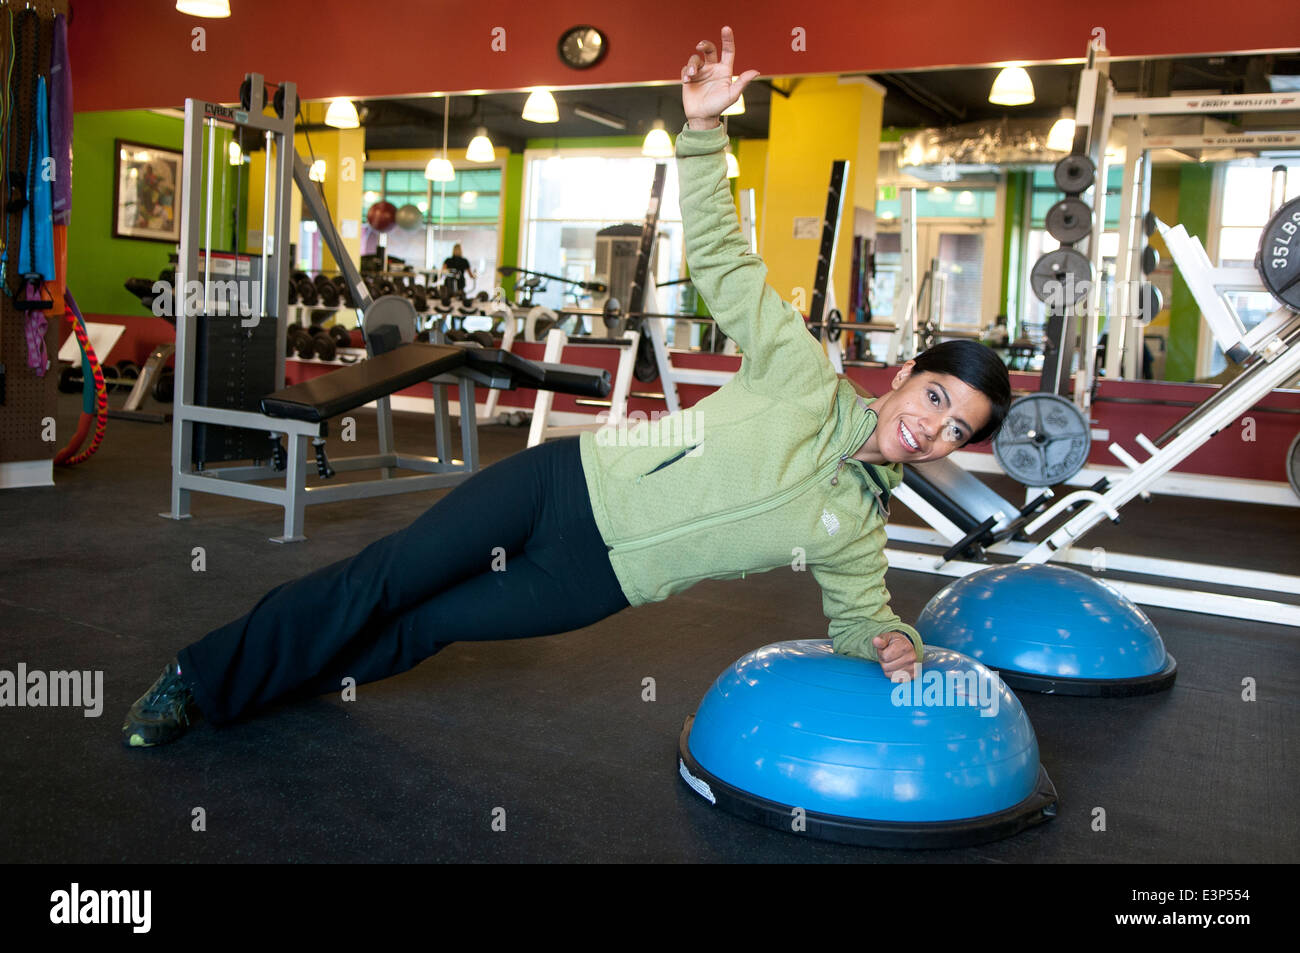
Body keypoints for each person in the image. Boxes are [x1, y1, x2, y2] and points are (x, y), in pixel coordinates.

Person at [123, 27, 1010, 748]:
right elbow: (724, 259)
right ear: (903, 377)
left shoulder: (858, 527)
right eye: (935, 398)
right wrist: (702, 133)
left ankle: (279, 683)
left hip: (598, 580)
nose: (932, 429)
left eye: (956, 430)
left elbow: (861, 617)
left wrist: (894, 641)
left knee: (428, 626)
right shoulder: (802, 371)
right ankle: (200, 678)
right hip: (561, 485)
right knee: (383, 578)